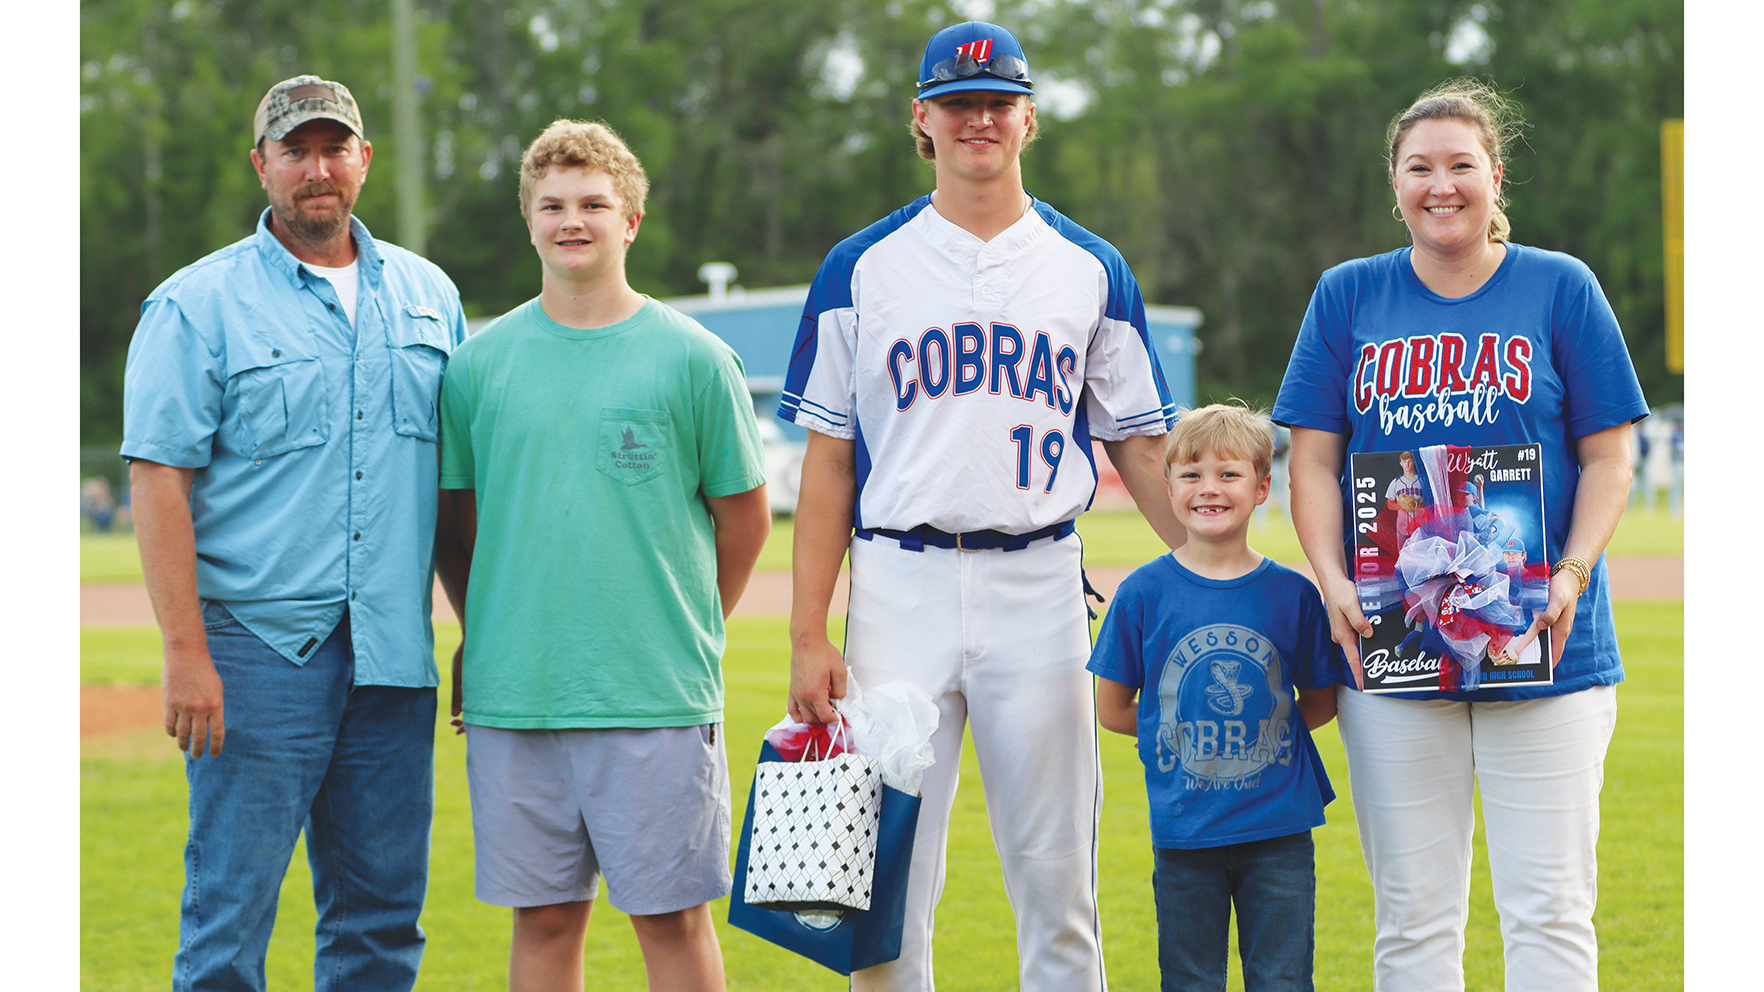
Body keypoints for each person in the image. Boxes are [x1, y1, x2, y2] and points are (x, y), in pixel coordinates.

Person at [779, 20, 1185, 992]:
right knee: (879, 892)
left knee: (1059, 886)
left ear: (1029, 119)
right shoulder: (862, 267)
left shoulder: (1088, 265)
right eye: (959, 103)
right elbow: (828, 463)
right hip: (897, 584)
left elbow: (1138, 438)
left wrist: (1219, 572)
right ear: (922, 118)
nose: (979, 119)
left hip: (1040, 581)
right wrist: (806, 630)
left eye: (998, 102)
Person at [1273, 78, 1646, 992]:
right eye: (1419, 168)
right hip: (1393, 649)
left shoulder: (1560, 286)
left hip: (1545, 641)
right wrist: (1332, 581)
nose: (1442, 185)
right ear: (1394, 183)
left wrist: (1568, 573)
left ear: (1495, 176)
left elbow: (1610, 457)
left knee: (1551, 909)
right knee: (1412, 919)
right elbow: (1314, 463)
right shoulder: (1348, 294)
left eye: (1461, 166)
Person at [121, 75, 468, 991]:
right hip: (255, 654)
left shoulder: (431, 298)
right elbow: (158, 480)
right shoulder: (195, 306)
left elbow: (455, 485)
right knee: (228, 929)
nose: (317, 169)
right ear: (261, 165)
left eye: (334, 148)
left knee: (383, 926)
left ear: (363, 159)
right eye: (295, 150)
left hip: (394, 654)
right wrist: (186, 653)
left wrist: (478, 626)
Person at [437, 119, 770, 992]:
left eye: (593, 203)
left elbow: (744, 521)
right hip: (519, 694)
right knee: (544, 922)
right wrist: (487, 630)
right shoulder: (477, 366)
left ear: (631, 220)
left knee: (670, 918)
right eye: (551, 205)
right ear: (529, 220)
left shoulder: (693, 359)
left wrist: (683, 623)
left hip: (653, 690)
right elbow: (461, 522)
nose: (571, 220)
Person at [1089, 403, 1340, 992]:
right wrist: (1179, 736)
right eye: (1191, 475)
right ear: (1170, 487)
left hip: (1278, 832)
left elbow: (1322, 701)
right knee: (1191, 980)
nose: (1209, 489)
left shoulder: (1294, 594)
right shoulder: (1142, 593)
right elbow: (1113, 708)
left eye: (1228, 474)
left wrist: (1261, 737)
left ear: (1261, 487)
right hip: (1185, 830)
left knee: (1281, 978)